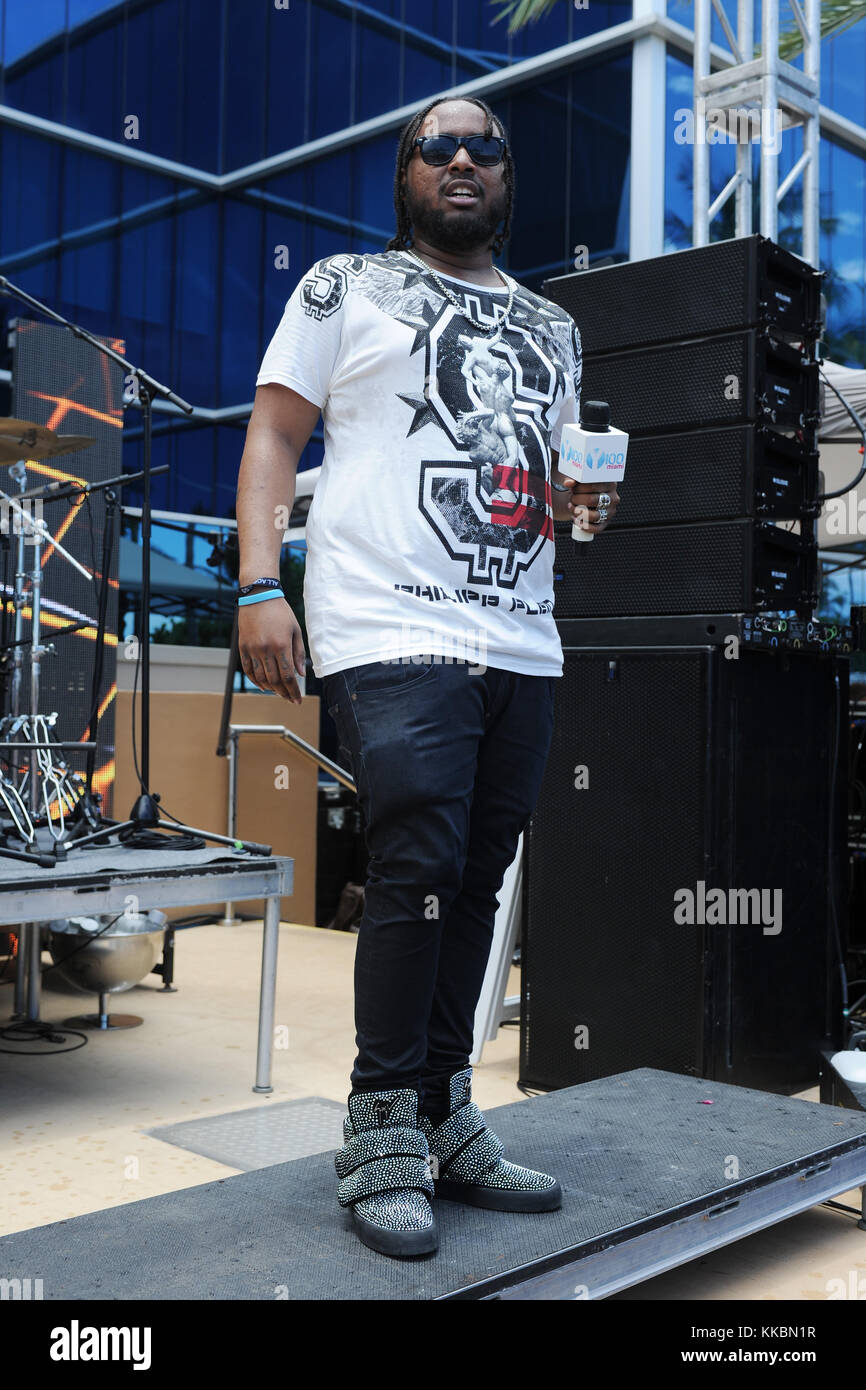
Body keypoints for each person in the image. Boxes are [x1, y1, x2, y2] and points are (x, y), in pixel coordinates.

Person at [235, 95, 620, 1259]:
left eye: (483, 147)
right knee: (413, 853)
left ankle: (445, 1110)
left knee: (476, 867)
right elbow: (270, 437)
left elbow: (554, 488)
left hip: (519, 632)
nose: (460, 159)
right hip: (387, 622)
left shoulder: (553, 329)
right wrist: (259, 585)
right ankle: (378, 1125)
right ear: (402, 174)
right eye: (434, 146)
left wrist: (582, 507)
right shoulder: (341, 287)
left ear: (508, 178)